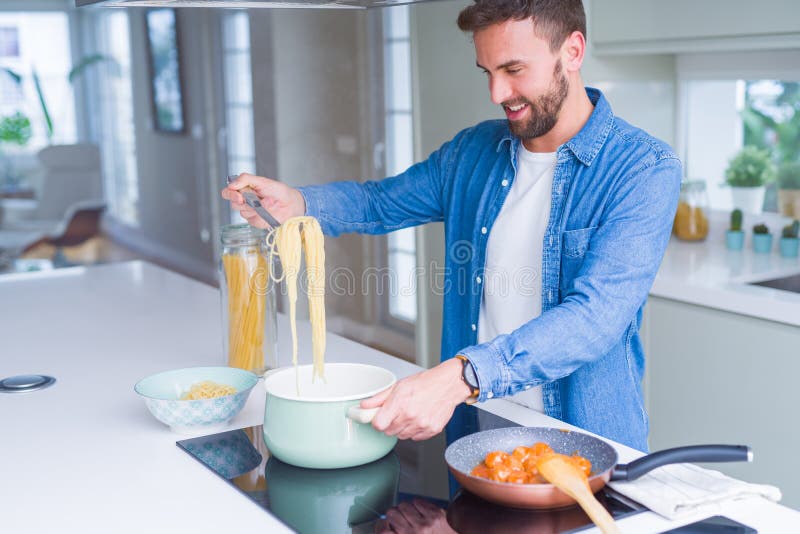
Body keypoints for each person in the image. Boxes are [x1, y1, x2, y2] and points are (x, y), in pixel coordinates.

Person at [222, 0, 681, 452]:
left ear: (573, 52)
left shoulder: (642, 169)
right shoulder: (473, 151)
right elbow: (380, 202)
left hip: (588, 449)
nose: (497, 93)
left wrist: (462, 376)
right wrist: (300, 201)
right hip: (479, 438)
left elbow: (595, 317)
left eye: (514, 69)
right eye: (488, 72)